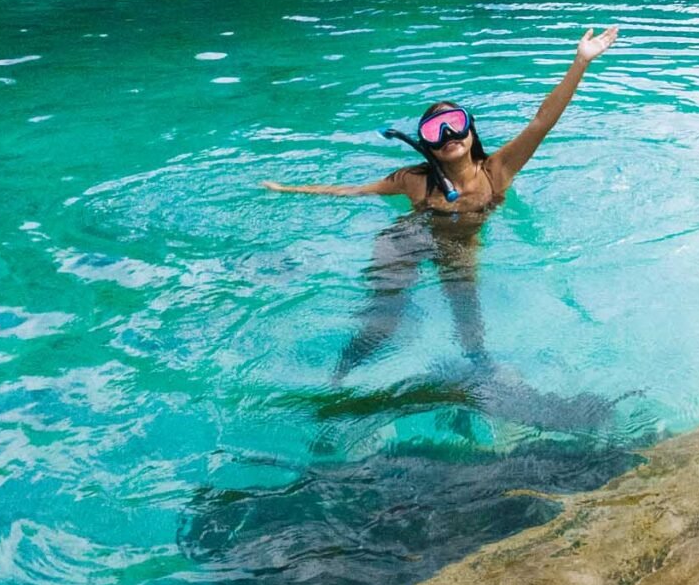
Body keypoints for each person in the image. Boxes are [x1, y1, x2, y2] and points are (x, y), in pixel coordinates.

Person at [262, 27, 618, 369]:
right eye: (435, 129)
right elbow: (354, 191)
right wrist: (289, 190)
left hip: (459, 248)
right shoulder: (415, 181)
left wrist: (580, 62)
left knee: (469, 324)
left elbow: (542, 122)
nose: (448, 133)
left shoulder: (497, 171)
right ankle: (344, 368)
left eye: (454, 123)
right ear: (426, 143)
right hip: (406, 239)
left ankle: (479, 371)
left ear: (470, 129)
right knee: (384, 318)